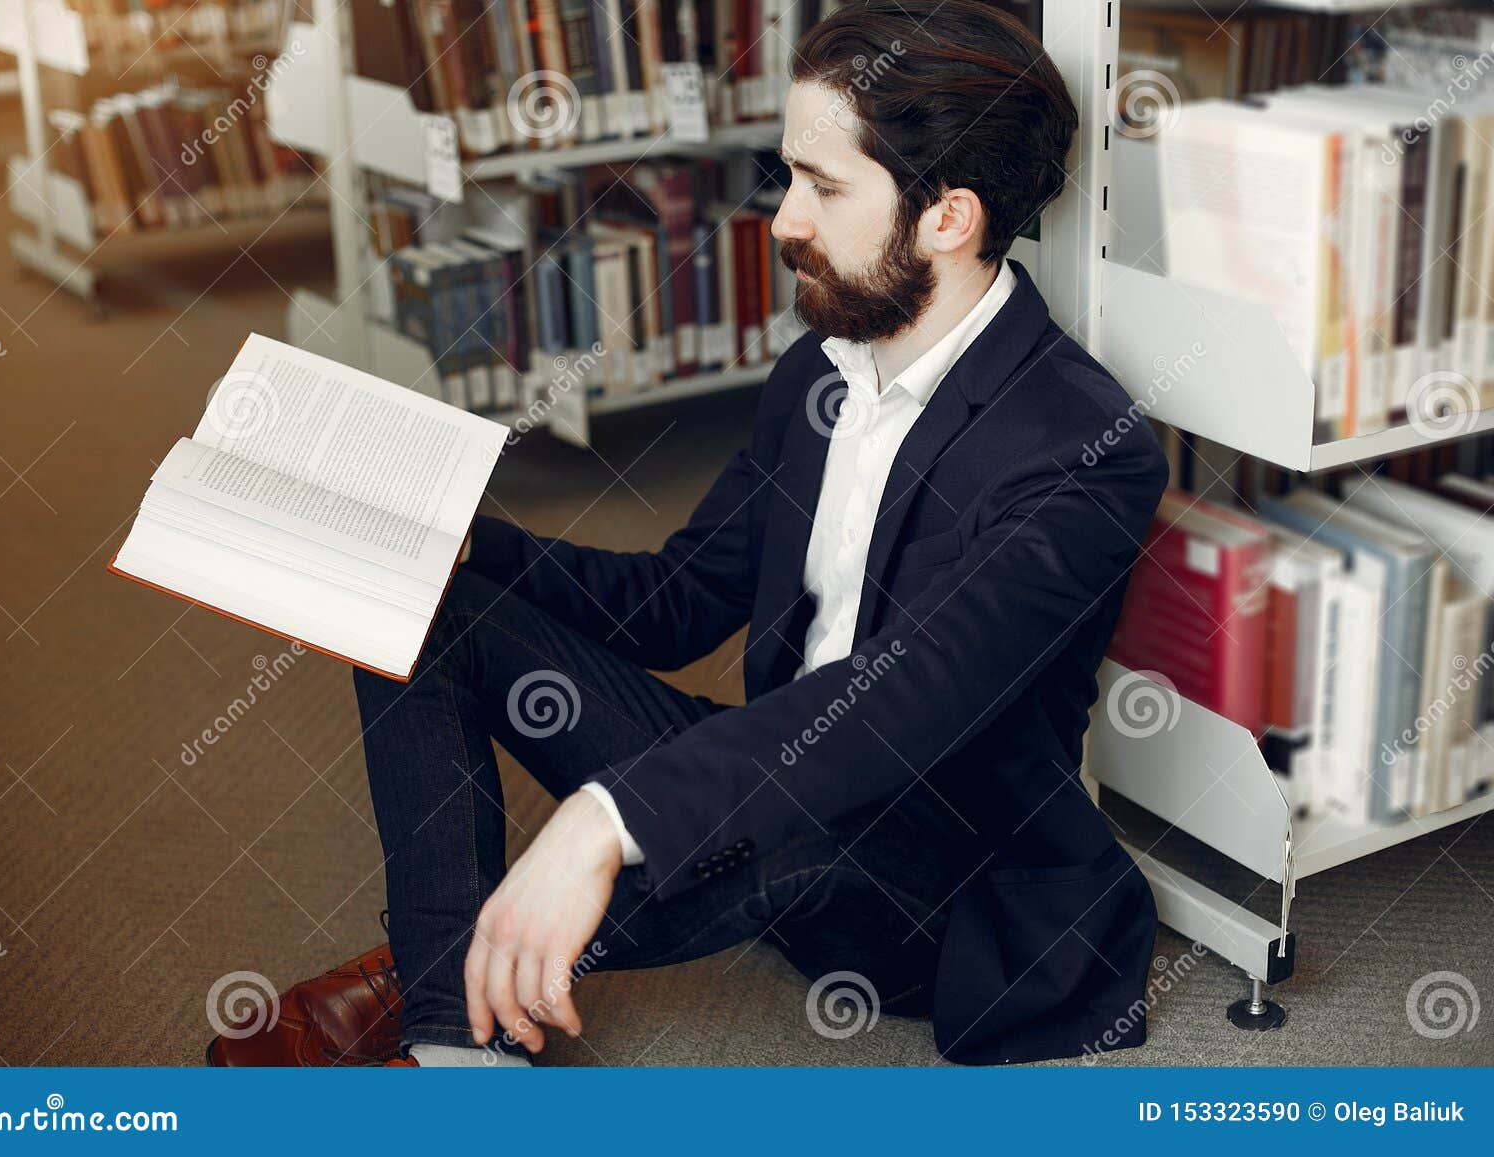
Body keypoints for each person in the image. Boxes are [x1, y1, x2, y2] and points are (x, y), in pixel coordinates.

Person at [209, 0, 1169, 1069]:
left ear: (947, 217)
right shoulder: (821, 373)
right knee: (422, 598)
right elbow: (675, 601)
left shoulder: (1083, 442)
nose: (783, 219)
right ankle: (458, 1040)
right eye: (789, 174)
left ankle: (436, 974)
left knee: (785, 791)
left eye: (824, 186)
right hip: (775, 806)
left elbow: (899, 707)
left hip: (931, 879)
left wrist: (598, 818)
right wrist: (461, 538)